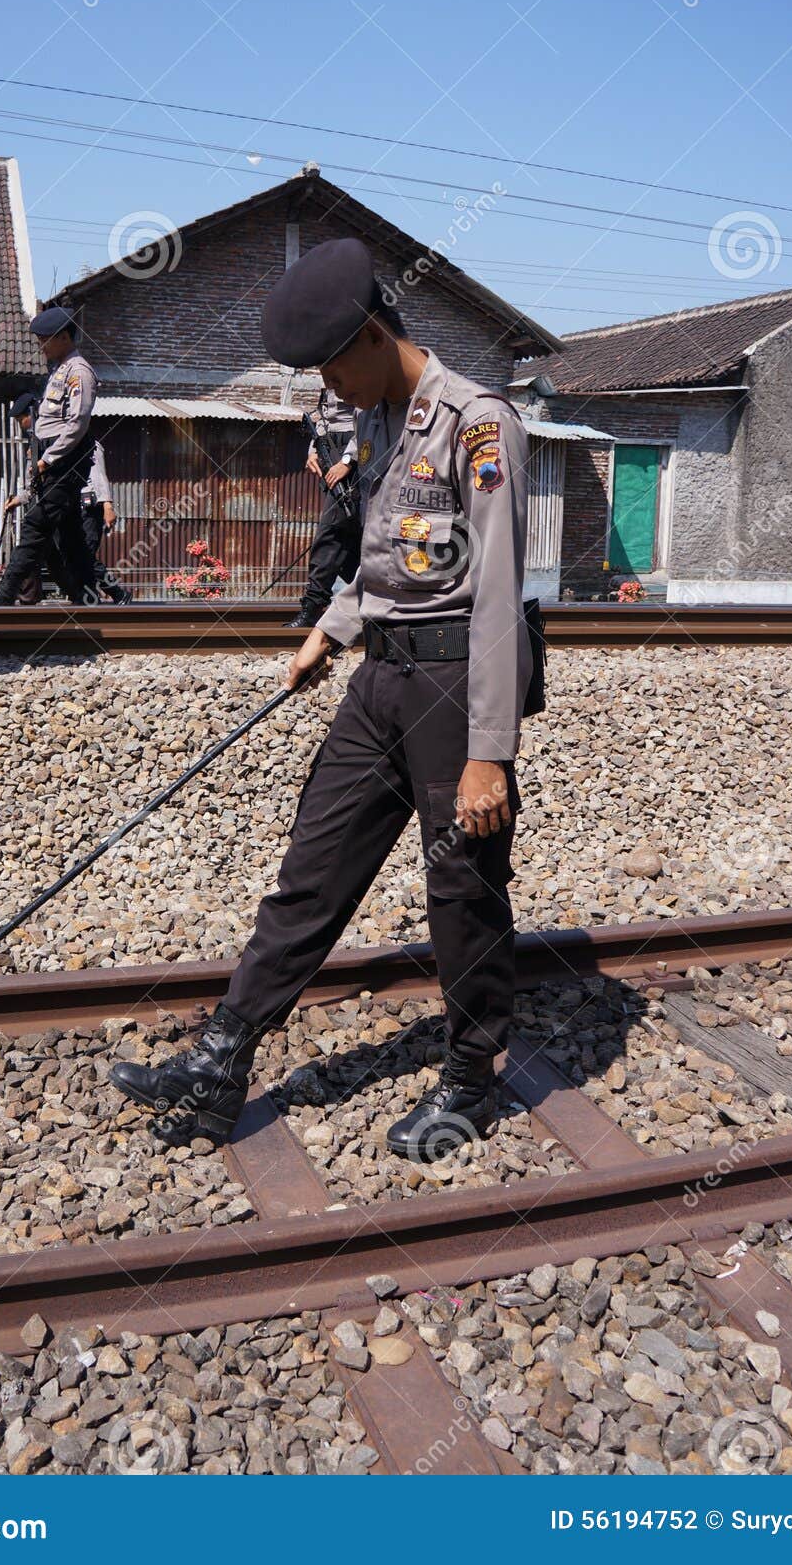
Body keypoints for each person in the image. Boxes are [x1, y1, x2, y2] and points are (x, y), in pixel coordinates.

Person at [110, 237, 535, 1164]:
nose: (328, 387)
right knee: (314, 864)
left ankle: (472, 1079)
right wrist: (329, 632)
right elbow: (384, 557)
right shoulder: (376, 418)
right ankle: (221, 1061)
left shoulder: (477, 425)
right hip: (380, 678)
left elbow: (497, 594)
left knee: (461, 888)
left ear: (375, 334)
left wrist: (488, 752)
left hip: (456, 683)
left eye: (332, 367)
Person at [0, 307, 99, 606]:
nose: (41, 346)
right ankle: (87, 598)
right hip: (55, 459)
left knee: (36, 525)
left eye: (45, 340)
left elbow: (77, 423)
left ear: (64, 337)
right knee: (70, 533)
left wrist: (48, 458)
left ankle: (5, 593)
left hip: (65, 461)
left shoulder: (79, 372)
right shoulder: (60, 370)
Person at [286, 389, 362, 628]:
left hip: (353, 454)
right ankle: (370, 599)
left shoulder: (359, 373)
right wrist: (313, 450)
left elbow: (369, 419)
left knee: (330, 532)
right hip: (330, 448)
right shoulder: (329, 376)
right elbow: (323, 416)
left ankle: (314, 605)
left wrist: (348, 460)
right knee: (349, 536)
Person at [81, 441, 132, 604]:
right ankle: (89, 596)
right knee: (75, 555)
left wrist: (107, 505)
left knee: (85, 554)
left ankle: (117, 593)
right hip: (71, 508)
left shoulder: (89, 444)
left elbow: (99, 476)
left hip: (89, 507)